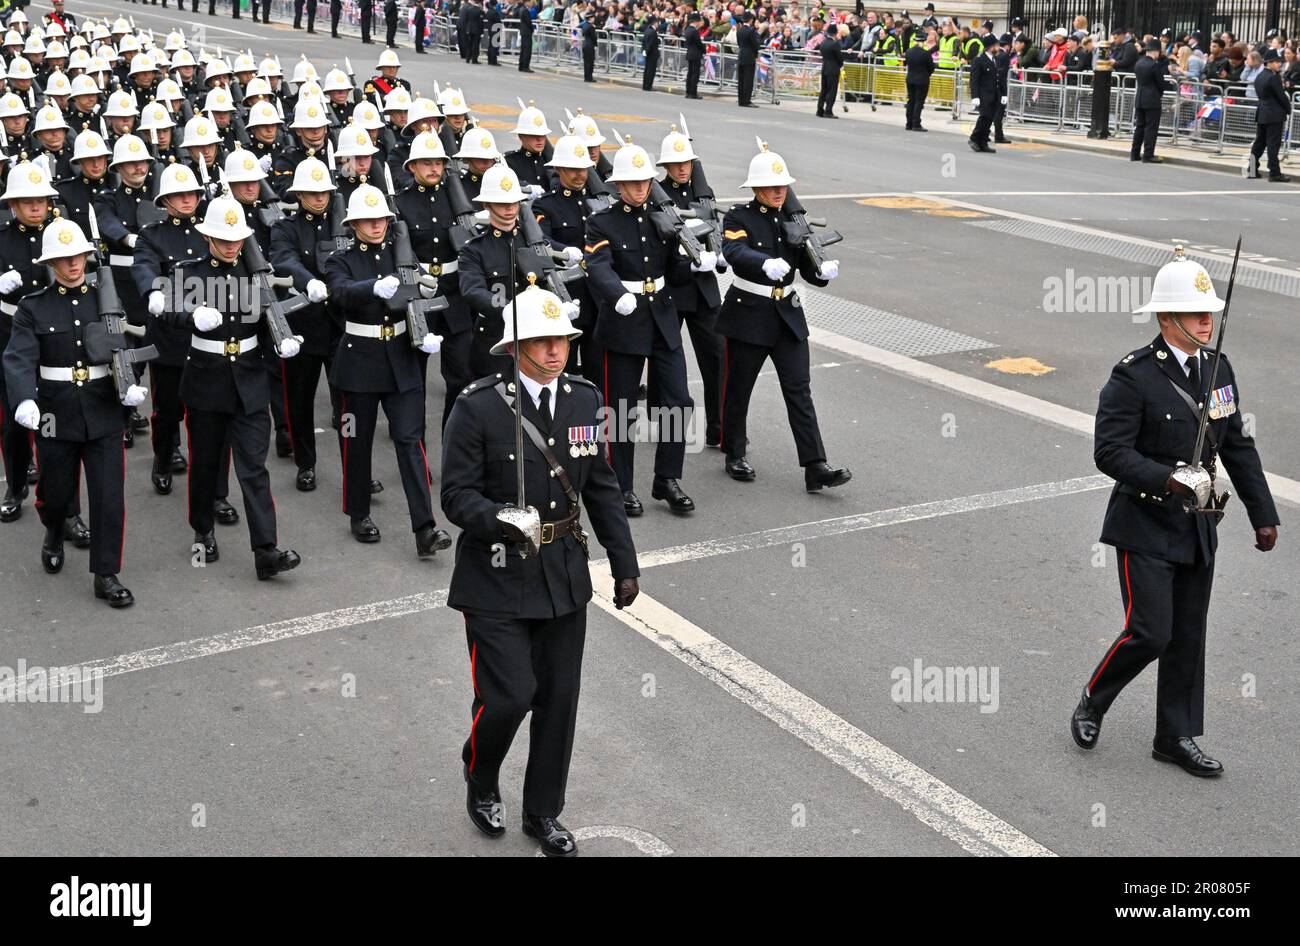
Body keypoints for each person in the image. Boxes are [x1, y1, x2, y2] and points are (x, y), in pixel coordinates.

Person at [440, 281, 640, 857]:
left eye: (563, 340)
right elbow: (455, 496)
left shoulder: (582, 399)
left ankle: (542, 812)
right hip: (496, 575)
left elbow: (601, 487)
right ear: (515, 346)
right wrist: (500, 518)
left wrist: (624, 564)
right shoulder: (477, 405)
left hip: (562, 575)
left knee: (558, 700)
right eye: (543, 341)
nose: (556, 351)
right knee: (507, 698)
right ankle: (480, 775)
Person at [1072, 247, 1279, 777]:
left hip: (1197, 527)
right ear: (1167, 319)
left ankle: (1175, 736)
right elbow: (1110, 452)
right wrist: (1168, 477)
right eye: (1195, 314)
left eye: (1210, 313)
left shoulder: (1219, 368)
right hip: (1143, 523)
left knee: (1188, 633)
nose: (1207, 322)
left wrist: (1263, 513)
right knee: (1151, 631)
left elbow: (1237, 445)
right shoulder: (1133, 376)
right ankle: (1095, 697)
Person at [2, 217, 139, 607]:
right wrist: (24, 398)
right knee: (57, 491)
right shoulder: (33, 307)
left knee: (109, 496)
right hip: (55, 412)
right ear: (50, 263)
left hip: (102, 408)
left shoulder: (107, 300)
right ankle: (53, 530)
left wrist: (130, 386)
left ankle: (106, 573)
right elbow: (18, 357)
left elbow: (123, 347)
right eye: (63, 258)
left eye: (77, 255)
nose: (73, 264)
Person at [165, 194, 302, 579]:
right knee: (206, 465)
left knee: (254, 469)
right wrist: (192, 314)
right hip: (207, 380)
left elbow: (269, 319)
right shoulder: (189, 273)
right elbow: (167, 310)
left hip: (249, 379)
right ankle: (202, 528)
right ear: (208, 237)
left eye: (236, 238)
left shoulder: (256, 274)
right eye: (223, 238)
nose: (230, 245)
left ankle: (266, 550)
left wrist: (284, 340)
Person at [582, 138, 714, 516]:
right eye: (633, 182)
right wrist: (614, 294)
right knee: (621, 409)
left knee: (679, 402)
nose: (641, 188)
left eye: (645, 181)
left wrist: (695, 261)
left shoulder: (664, 218)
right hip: (624, 321)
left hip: (661, 317)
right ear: (619, 185)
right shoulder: (601, 221)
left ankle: (667, 478)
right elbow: (598, 265)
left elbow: (673, 269)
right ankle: (621, 485)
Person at [321, 183, 451, 555]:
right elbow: (339, 294)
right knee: (357, 442)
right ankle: (358, 511)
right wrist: (372, 287)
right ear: (354, 224)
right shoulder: (340, 259)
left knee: (411, 442)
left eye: (380, 218)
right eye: (367, 219)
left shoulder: (402, 253)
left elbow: (418, 296)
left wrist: (425, 305)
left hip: (400, 358)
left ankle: (425, 526)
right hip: (359, 361)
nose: (376, 225)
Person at [716, 143, 850, 493]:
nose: (779, 192)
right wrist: (763, 263)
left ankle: (815, 465)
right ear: (757, 188)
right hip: (749, 312)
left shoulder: (795, 221)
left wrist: (823, 271)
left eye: (783, 187)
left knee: (799, 389)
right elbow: (732, 249)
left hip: (787, 315)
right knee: (739, 388)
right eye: (772, 187)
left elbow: (807, 269)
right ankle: (735, 452)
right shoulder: (738, 217)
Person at [132, 163, 208, 497]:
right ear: (165, 201)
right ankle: (163, 458)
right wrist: (153, 292)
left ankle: (209, 482)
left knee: (206, 412)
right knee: (167, 411)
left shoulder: (211, 229)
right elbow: (144, 265)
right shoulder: (153, 234)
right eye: (178, 194)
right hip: (170, 336)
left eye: (191, 193)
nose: (187, 199)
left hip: (208, 334)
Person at [268, 157, 344, 493]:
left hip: (341, 324)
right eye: (311, 193)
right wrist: (306, 280)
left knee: (349, 402)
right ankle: (306, 463)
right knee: (299, 400)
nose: (319, 198)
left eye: (323, 192)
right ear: (299, 196)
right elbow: (284, 258)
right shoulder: (285, 227)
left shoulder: (343, 223)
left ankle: (354, 464)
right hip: (304, 324)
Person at [1247, 48, 1292, 183]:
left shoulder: (1260, 76)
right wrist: (1288, 109)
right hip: (1274, 114)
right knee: (1273, 144)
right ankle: (1274, 173)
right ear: (1269, 63)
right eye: (1277, 62)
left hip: (1262, 112)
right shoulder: (1273, 77)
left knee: (1259, 142)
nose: (1279, 64)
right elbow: (1281, 97)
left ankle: (1252, 169)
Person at [1132, 39, 1174, 163]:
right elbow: (1160, 83)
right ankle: (1148, 155)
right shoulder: (1154, 65)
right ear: (1156, 52)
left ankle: (1134, 153)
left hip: (1139, 97)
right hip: (1152, 99)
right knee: (1151, 128)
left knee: (1139, 127)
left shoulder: (1139, 63)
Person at [967, 35, 1001, 153]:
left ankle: (983, 142)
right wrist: (975, 96)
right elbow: (974, 80)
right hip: (983, 95)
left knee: (989, 119)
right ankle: (974, 138)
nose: (998, 47)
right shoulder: (979, 60)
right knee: (984, 117)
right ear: (990, 47)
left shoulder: (994, 59)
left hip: (993, 95)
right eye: (996, 45)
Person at [904, 28, 936, 129]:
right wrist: (926, 73)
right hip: (922, 80)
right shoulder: (926, 54)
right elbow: (931, 68)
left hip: (910, 78)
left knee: (911, 100)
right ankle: (916, 123)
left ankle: (909, 123)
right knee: (919, 102)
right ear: (923, 41)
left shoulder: (909, 52)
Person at [817, 23, 845, 118]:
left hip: (824, 67)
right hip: (833, 69)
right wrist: (840, 64)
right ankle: (828, 110)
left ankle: (820, 109)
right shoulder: (834, 44)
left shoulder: (823, 43)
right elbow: (840, 57)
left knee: (824, 90)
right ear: (835, 33)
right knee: (832, 91)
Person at [736, 12, 761, 107]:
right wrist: (756, 54)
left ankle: (741, 100)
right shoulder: (751, 31)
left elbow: (739, 43)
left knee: (741, 79)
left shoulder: (739, 30)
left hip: (741, 55)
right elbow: (755, 44)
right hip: (749, 56)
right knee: (748, 79)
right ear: (750, 20)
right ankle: (746, 100)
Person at [684, 12, 705, 99]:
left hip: (690, 53)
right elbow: (698, 43)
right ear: (696, 21)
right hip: (695, 54)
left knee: (690, 73)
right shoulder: (694, 31)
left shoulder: (688, 29)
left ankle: (688, 91)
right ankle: (693, 93)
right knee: (695, 74)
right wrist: (704, 50)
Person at [642, 14, 660, 91]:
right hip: (652, 54)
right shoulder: (652, 32)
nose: (658, 23)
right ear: (654, 23)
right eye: (657, 22)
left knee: (647, 70)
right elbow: (650, 44)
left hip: (648, 53)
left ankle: (645, 85)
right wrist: (647, 51)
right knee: (651, 71)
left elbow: (644, 42)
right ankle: (648, 86)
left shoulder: (647, 30)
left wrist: (644, 50)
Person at [515, 1, 535, 72]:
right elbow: (528, 22)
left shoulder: (521, 9)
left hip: (523, 31)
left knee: (523, 49)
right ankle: (525, 66)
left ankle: (521, 65)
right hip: (527, 32)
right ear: (527, 2)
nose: (531, 4)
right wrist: (532, 29)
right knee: (527, 50)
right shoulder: (525, 10)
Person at [579, 11, 597, 82]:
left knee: (586, 62)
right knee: (590, 62)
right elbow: (594, 37)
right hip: (590, 45)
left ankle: (586, 77)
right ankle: (589, 77)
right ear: (590, 18)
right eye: (593, 17)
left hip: (585, 44)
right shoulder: (591, 27)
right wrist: (596, 44)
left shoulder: (585, 25)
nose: (594, 19)